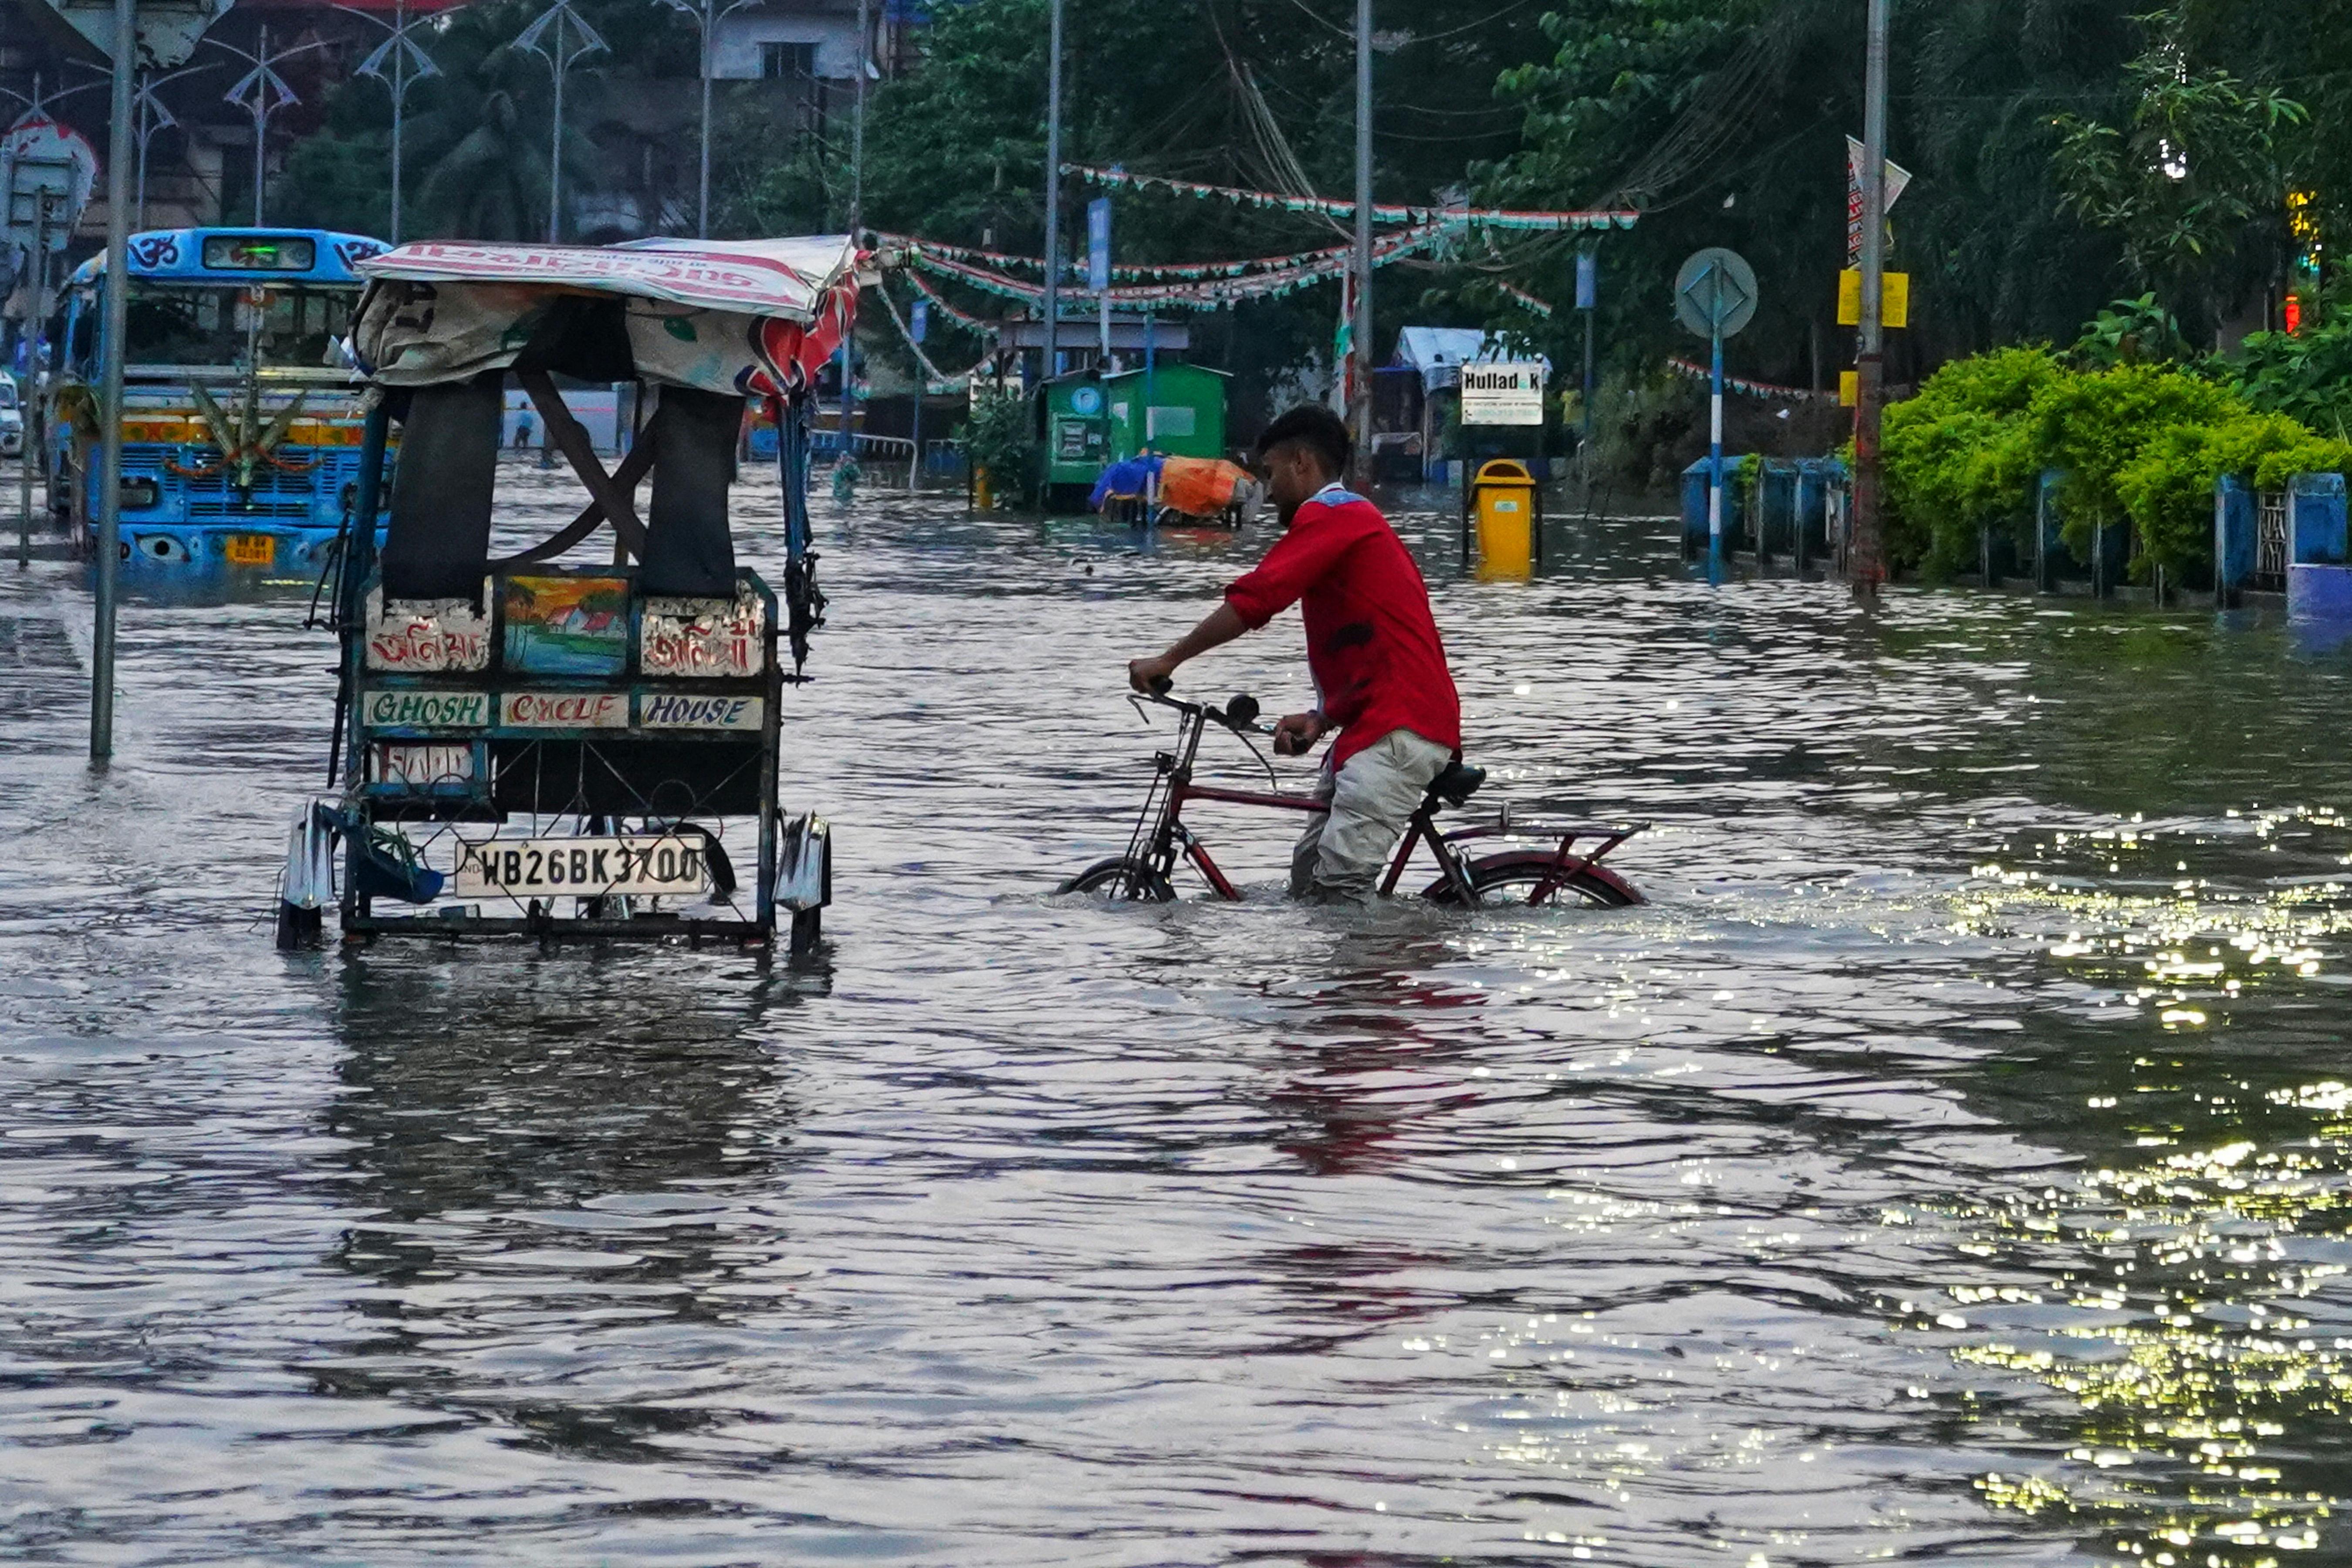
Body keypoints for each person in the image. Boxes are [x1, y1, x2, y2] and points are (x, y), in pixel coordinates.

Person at [1128, 403, 1462, 902]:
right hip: (1376, 727)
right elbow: (1372, 649)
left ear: (1302, 463)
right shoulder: (1346, 524)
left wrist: (1168, 661)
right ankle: (1343, 974)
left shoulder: (1333, 515)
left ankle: (1386, 973)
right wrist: (1322, 718)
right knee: (1307, 886)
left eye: (1271, 473)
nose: (1268, 490)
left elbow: (1257, 600)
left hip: (1400, 728)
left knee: (1339, 893)